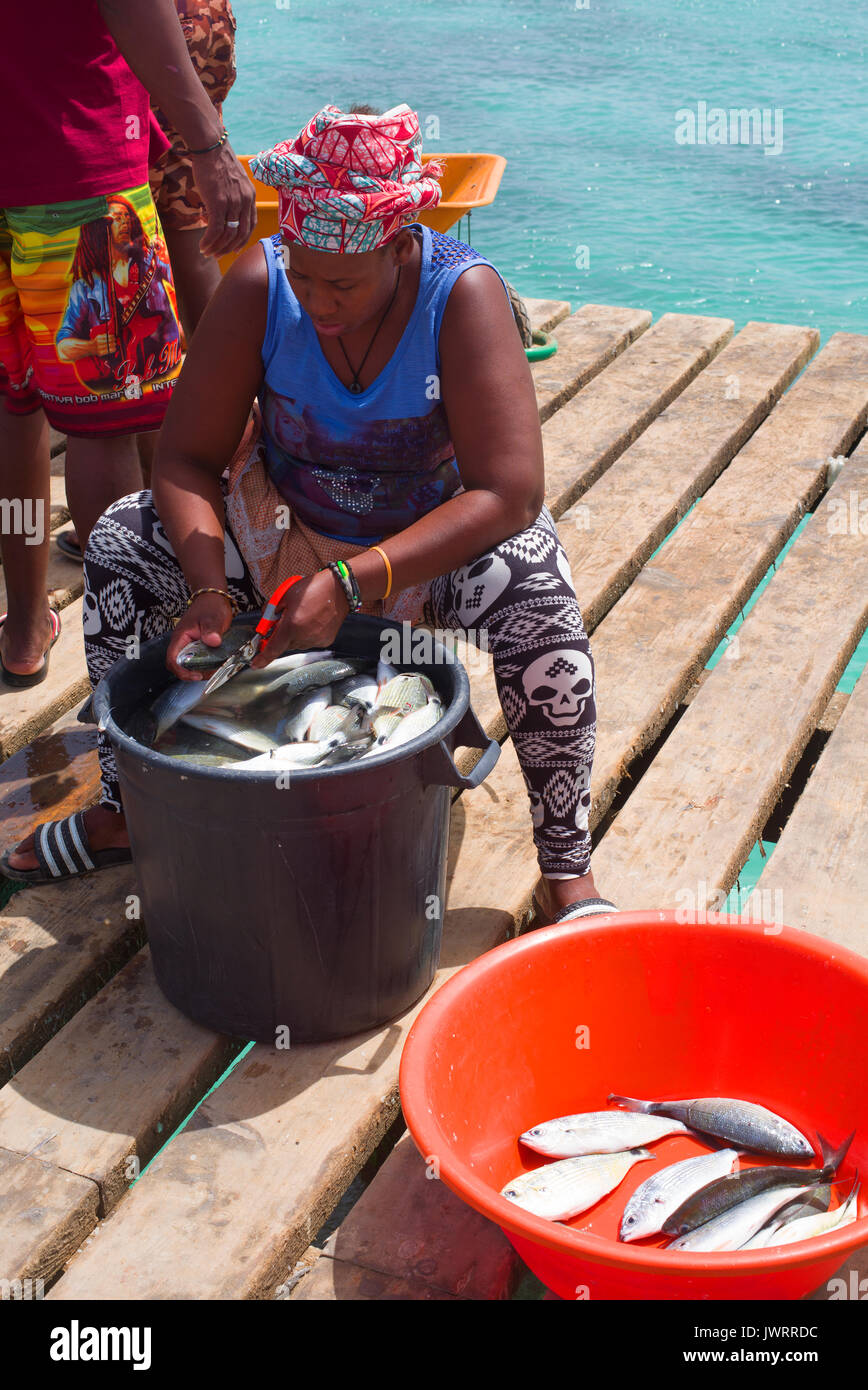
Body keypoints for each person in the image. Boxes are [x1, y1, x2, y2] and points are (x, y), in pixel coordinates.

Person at [1, 104, 616, 928]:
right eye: (305, 273)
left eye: (344, 284)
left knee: (539, 596)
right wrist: (207, 591)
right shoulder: (259, 289)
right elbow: (186, 460)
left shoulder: (461, 297)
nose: (319, 302)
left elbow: (510, 493)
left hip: (422, 554)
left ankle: (566, 871)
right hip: (280, 532)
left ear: (401, 247)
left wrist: (355, 580)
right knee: (117, 540)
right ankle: (123, 808)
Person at [0, 0, 255, 682]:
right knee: (102, 424)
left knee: (12, 408)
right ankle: (133, 660)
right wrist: (207, 144)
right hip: (74, 161)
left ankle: (25, 618)